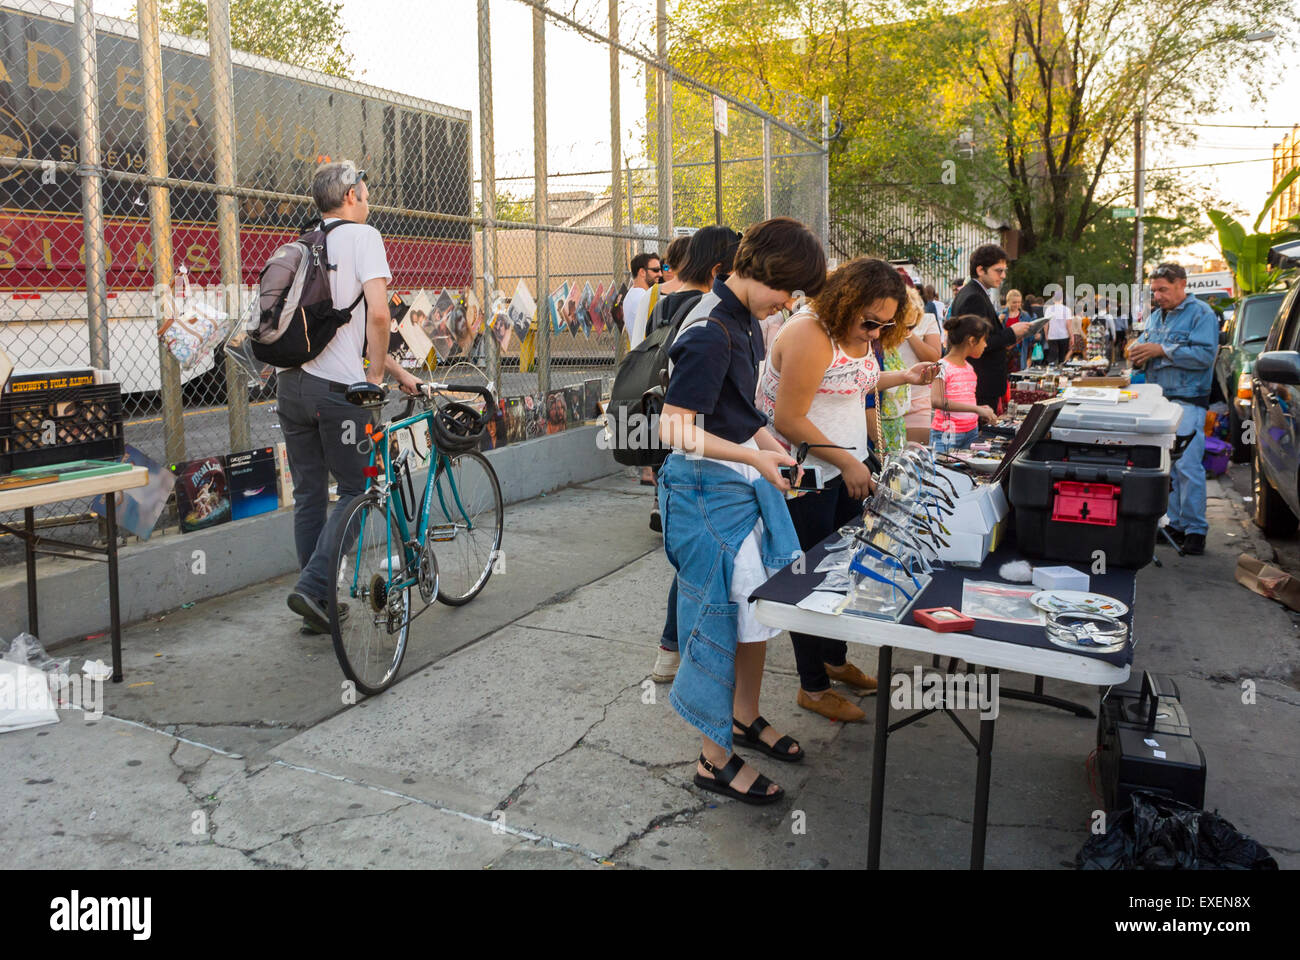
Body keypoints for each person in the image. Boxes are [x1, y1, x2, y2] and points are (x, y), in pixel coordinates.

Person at [658, 217, 825, 804]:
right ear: (766, 271)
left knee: (755, 607)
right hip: (702, 494)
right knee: (719, 617)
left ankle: (743, 717)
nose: (791, 302)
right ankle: (713, 759)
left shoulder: (748, 319)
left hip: (733, 484)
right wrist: (755, 460)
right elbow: (675, 428)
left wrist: (767, 446)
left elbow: (734, 407)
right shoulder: (711, 328)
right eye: (790, 289)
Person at [757, 257, 936, 722]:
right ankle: (811, 686)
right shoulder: (807, 333)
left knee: (842, 571)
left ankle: (833, 661)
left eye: (886, 325)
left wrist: (905, 376)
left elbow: (855, 381)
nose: (877, 333)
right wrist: (848, 461)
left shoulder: (853, 333)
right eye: (871, 322)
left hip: (845, 469)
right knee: (809, 579)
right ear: (844, 303)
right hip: (806, 476)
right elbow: (788, 419)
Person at [278, 161, 422, 635]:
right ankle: (315, 586)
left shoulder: (306, 241)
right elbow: (378, 318)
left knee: (309, 497)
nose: (367, 192)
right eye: (364, 186)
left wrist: (399, 372)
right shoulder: (364, 237)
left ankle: (317, 606)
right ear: (351, 196)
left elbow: (346, 328)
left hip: (292, 388)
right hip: (336, 395)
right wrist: (376, 377)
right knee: (359, 489)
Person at [648, 225, 744, 684]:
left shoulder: (660, 297)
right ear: (722, 266)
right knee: (698, 561)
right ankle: (674, 652)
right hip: (698, 443)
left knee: (691, 556)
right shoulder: (709, 311)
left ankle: (671, 652)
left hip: (663, 428)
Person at [1127, 262, 1218, 556]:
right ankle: (1176, 523)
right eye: (1154, 291)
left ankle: (1196, 530)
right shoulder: (1156, 316)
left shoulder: (1201, 314)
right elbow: (1143, 345)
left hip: (1188, 399)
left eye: (1163, 290)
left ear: (1182, 284)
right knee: (1171, 466)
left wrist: (1161, 351)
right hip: (1160, 399)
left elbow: (1204, 357)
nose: (1158, 296)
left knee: (1189, 465)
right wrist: (1136, 352)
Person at [950, 244, 1031, 413]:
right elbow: (977, 343)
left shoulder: (975, 293)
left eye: (1004, 270)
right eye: (998, 270)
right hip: (982, 384)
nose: (1003, 276)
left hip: (983, 382)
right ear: (980, 270)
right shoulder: (974, 296)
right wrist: (1011, 333)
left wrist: (1009, 338)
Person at [931, 314, 996, 453]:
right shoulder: (942, 366)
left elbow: (964, 399)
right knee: (946, 471)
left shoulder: (969, 367)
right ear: (972, 341)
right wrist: (975, 409)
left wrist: (978, 408)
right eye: (984, 340)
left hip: (971, 431)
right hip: (947, 434)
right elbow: (937, 401)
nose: (986, 345)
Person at [899, 285, 943, 443]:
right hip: (886, 402)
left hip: (917, 400)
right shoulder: (883, 324)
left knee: (915, 455)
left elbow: (933, 357)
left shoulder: (927, 319)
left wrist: (908, 332)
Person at [624, 251, 662, 350]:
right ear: (642, 272)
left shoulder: (632, 293)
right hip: (645, 355)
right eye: (655, 270)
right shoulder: (641, 297)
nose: (660, 274)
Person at [1043, 291, 1071, 365]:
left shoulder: (1048, 309)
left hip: (1052, 335)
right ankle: (1061, 370)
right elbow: (1068, 324)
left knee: (1052, 355)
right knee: (1062, 356)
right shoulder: (1067, 309)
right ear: (1062, 298)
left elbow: (1046, 323)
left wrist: (1046, 334)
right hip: (1064, 335)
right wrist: (1072, 336)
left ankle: (1051, 370)